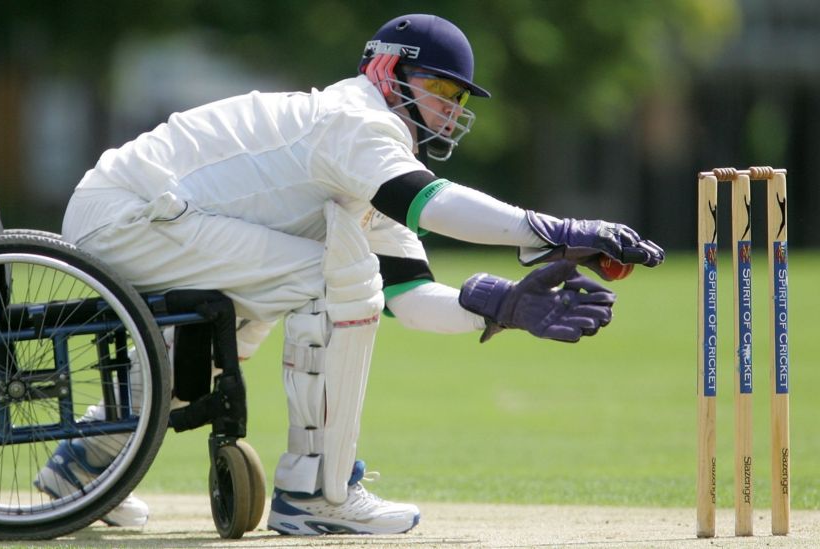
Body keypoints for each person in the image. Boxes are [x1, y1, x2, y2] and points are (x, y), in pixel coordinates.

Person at [35, 13, 665, 536]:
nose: (450, 113)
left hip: (140, 216)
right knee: (330, 278)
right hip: (125, 213)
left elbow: (409, 295)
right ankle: (317, 493)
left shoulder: (365, 165)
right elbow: (433, 205)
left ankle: (89, 462)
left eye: (459, 101)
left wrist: (500, 305)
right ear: (389, 72)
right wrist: (553, 229)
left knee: (282, 299)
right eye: (441, 93)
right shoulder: (356, 124)